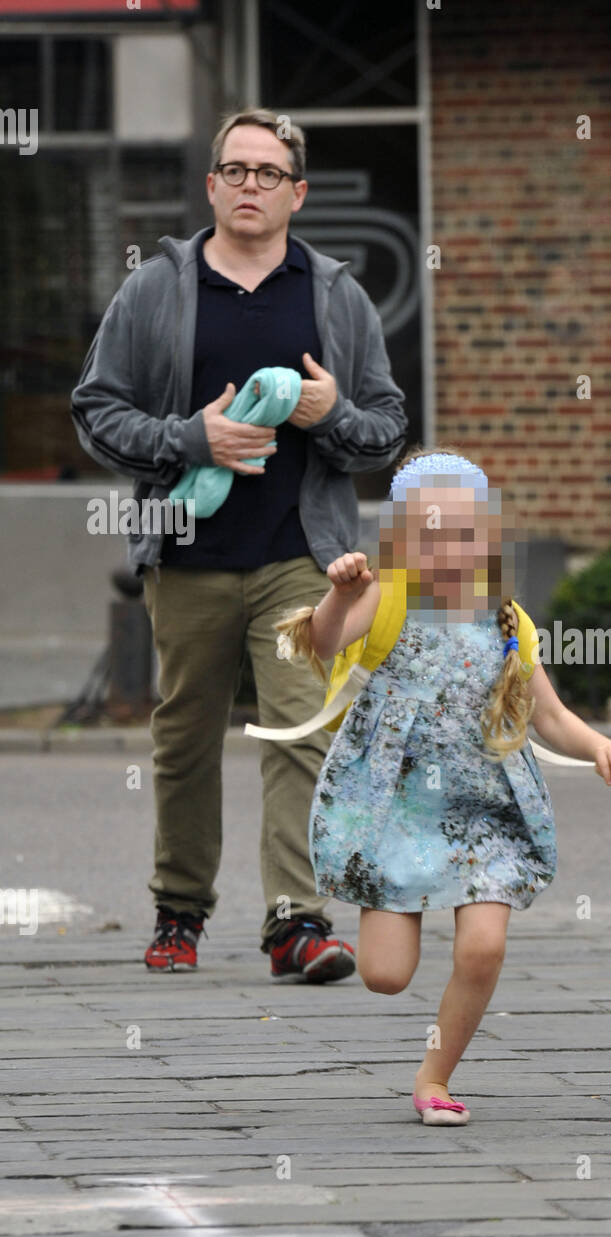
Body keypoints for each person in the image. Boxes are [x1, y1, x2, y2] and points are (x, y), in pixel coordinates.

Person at [70, 107, 408, 979]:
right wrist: (192, 441)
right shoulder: (158, 289)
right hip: (185, 551)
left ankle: (297, 922)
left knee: (299, 729)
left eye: (269, 173)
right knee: (183, 740)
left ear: (296, 194)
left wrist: (331, 414)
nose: (250, 185)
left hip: (305, 553)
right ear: (211, 185)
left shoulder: (334, 296)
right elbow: (96, 412)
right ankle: (179, 911)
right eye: (236, 170)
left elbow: (388, 431)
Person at [274, 451, 611, 1123]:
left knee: (484, 945)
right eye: (429, 535)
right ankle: (397, 926)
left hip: (483, 812)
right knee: (386, 976)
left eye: (464, 534)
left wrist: (600, 747)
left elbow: (549, 716)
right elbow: (323, 643)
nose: (448, 550)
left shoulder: (508, 621)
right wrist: (342, 592)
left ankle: (435, 1077)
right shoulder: (385, 600)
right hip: (395, 809)